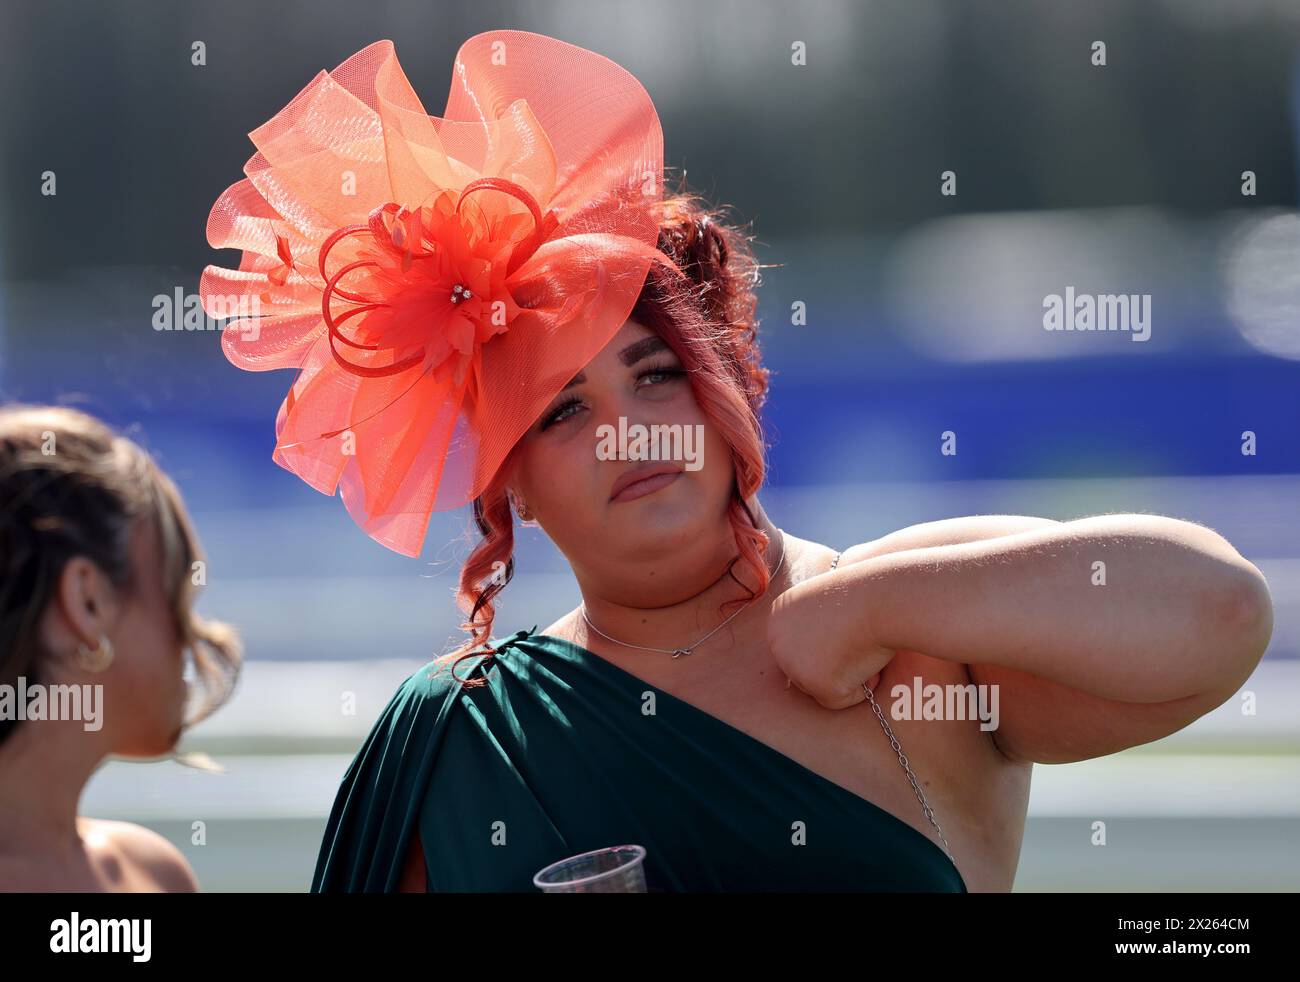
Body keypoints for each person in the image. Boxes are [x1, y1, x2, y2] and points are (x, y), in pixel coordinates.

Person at [202, 31, 1273, 892]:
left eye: (657, 374)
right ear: (508, 484)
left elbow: (1220, 612)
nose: (630, 428)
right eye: (564, 409)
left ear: (722, 387)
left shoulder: (913, 635)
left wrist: (851, 614)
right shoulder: (459, 739)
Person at [0, 405, 242, 891]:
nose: (201, 637)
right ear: (87, 602)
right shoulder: (148, 876)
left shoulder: (155, 872)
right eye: (177, 595)